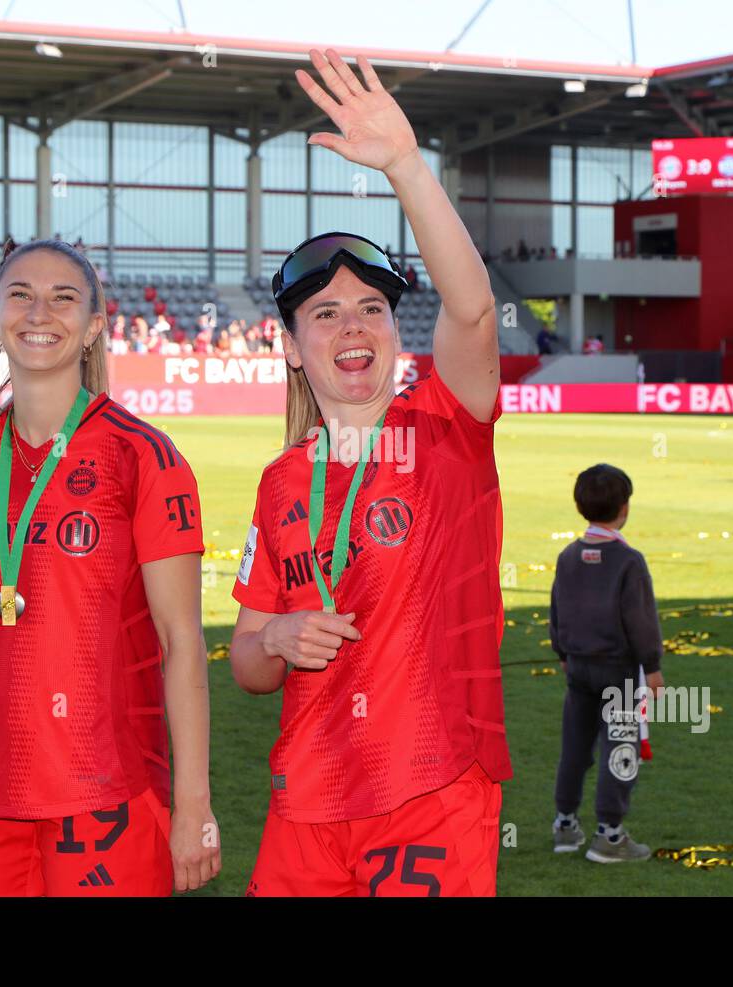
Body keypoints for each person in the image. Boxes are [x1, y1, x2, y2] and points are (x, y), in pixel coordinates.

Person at [228, 49, 510, 897]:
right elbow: (247, 658)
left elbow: (472, 308)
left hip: (430, 793)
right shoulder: (282, 481)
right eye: (325, 313)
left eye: (372, 308)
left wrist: (403, 166)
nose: (353, 326)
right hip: (305, 803)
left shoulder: (447, 430)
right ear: (289, 345)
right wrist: (275, 638)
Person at [0, 237, 219, 897]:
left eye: (63, 298)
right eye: (20, 295)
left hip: (109, 789)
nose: (40, 312)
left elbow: (183, 644)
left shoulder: (146, 456)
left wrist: (194, 802)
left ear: (94, 326)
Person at [549, 464, 664, 862]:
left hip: (578, 668)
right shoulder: (628, 561)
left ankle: (564, 825)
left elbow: (557, 610)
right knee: (620, 748)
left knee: (575, 748)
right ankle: (609, 835)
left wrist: (562, 653)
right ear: (624, 507)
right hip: (617, 671)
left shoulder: (568, 556)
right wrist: (653, 668)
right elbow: (641, 620)